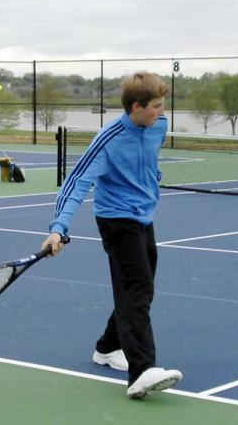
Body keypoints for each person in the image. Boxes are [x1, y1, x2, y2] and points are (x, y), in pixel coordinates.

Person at [42, 72, 183, 400]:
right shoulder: (108, 139)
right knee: (138, 287)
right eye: (157, 106)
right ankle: (142, 371)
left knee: (137, 286)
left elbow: (148, 160)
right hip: (116, 220)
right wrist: (58, 229)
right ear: (137, 106)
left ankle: (107, 347)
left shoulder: (157, 127)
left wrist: (151, 178)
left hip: (144, 216)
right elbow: (75, 183)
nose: (162, 112)